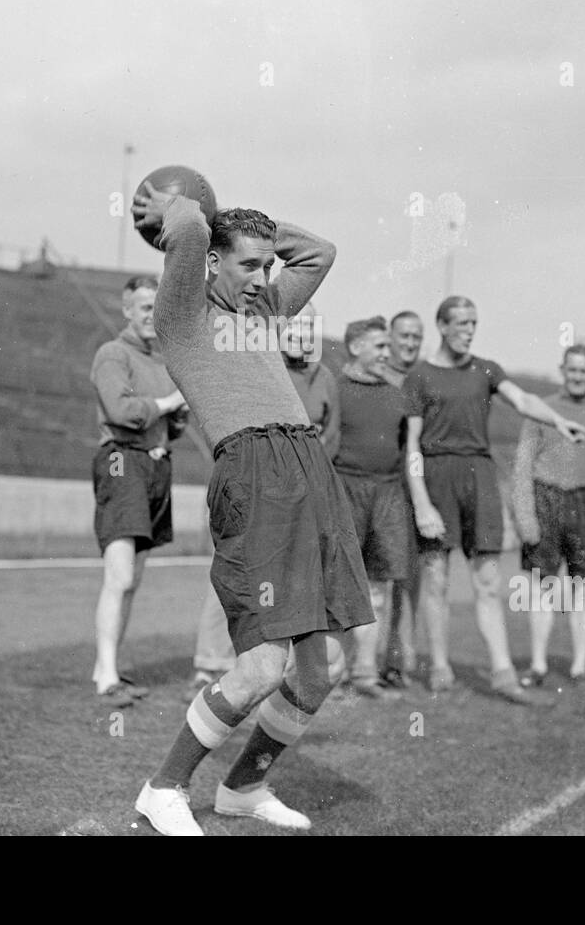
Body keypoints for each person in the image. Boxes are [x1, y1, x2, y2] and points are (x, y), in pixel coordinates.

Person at [130, 185, 374, 836]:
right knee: (263, 667)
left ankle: (244, 787)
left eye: (267, 265)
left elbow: (319, 253)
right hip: (253, 474)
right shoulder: (183, 316)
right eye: (247, 264)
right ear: (212, 260)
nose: (262, 277)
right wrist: (200, 215)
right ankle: (164, 787)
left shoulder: (263, 307)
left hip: (309, 473)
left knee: (322, 673)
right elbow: (182, 227)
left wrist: (259, 240)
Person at [403, 296, 585, 704]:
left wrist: (557, 420)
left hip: (480, 476)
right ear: (442, 325)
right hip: (436, 478)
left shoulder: (486, 370)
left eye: (474, 322)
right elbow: (412, 445)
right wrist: (421, 503)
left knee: (488, 581)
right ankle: (439, 665)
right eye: (462, 323)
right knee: (436, 580)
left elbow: (522, 401)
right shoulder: (418, 377)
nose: (469, 330)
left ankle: (503, 672)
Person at [183, 302, 338, 702]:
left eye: (310, 330)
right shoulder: (261, 366)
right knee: (237, 575)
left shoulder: (325, 380)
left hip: (301, 494)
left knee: (297, 583)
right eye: (295, 328)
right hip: (253, 487)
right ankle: (210, 662)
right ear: (279, 331)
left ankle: (281, 671)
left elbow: (330, 438)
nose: (302, 337)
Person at [88, 275, 187, 707]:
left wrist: (177, 413)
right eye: (144, 306)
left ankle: (106, 669)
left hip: (156, 464)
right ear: (127, 310)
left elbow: (172, 423)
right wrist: (169, 403)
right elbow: (122, 412)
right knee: (121, 575)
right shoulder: (113, 353)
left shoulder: (164, 359)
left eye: (158, 306)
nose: (152, 314)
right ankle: (106, 677)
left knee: (135, 580)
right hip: (121, 459)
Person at [512, 345, 585, 688]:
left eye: (584, 371)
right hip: (545, 499)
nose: (577, 376)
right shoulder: (542, 409)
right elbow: (522, 465)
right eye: (572, 370)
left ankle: (578, 667)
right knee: (541, 588)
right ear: (562, 370)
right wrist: (525, 518)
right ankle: (539, 665)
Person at [333, 316, 414, 699]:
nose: (388, 353)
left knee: (378, 586)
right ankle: (329, 674)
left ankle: (364, 673)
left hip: (387, 495)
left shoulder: (398, 394)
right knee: (334, 585)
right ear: (355, 347)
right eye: (380, 346)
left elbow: (410, 452)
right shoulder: (334, 388)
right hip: (343, 491)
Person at [380, 310, 424, 689]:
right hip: (377, 490)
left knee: (407, 582)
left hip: (412, 495)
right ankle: (357, 665)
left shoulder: (422, 382)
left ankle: (398, 661)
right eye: (403, 336)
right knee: (371, 582)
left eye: (416, 337)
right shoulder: (376, 377)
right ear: (390, 337)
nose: (409, 343)